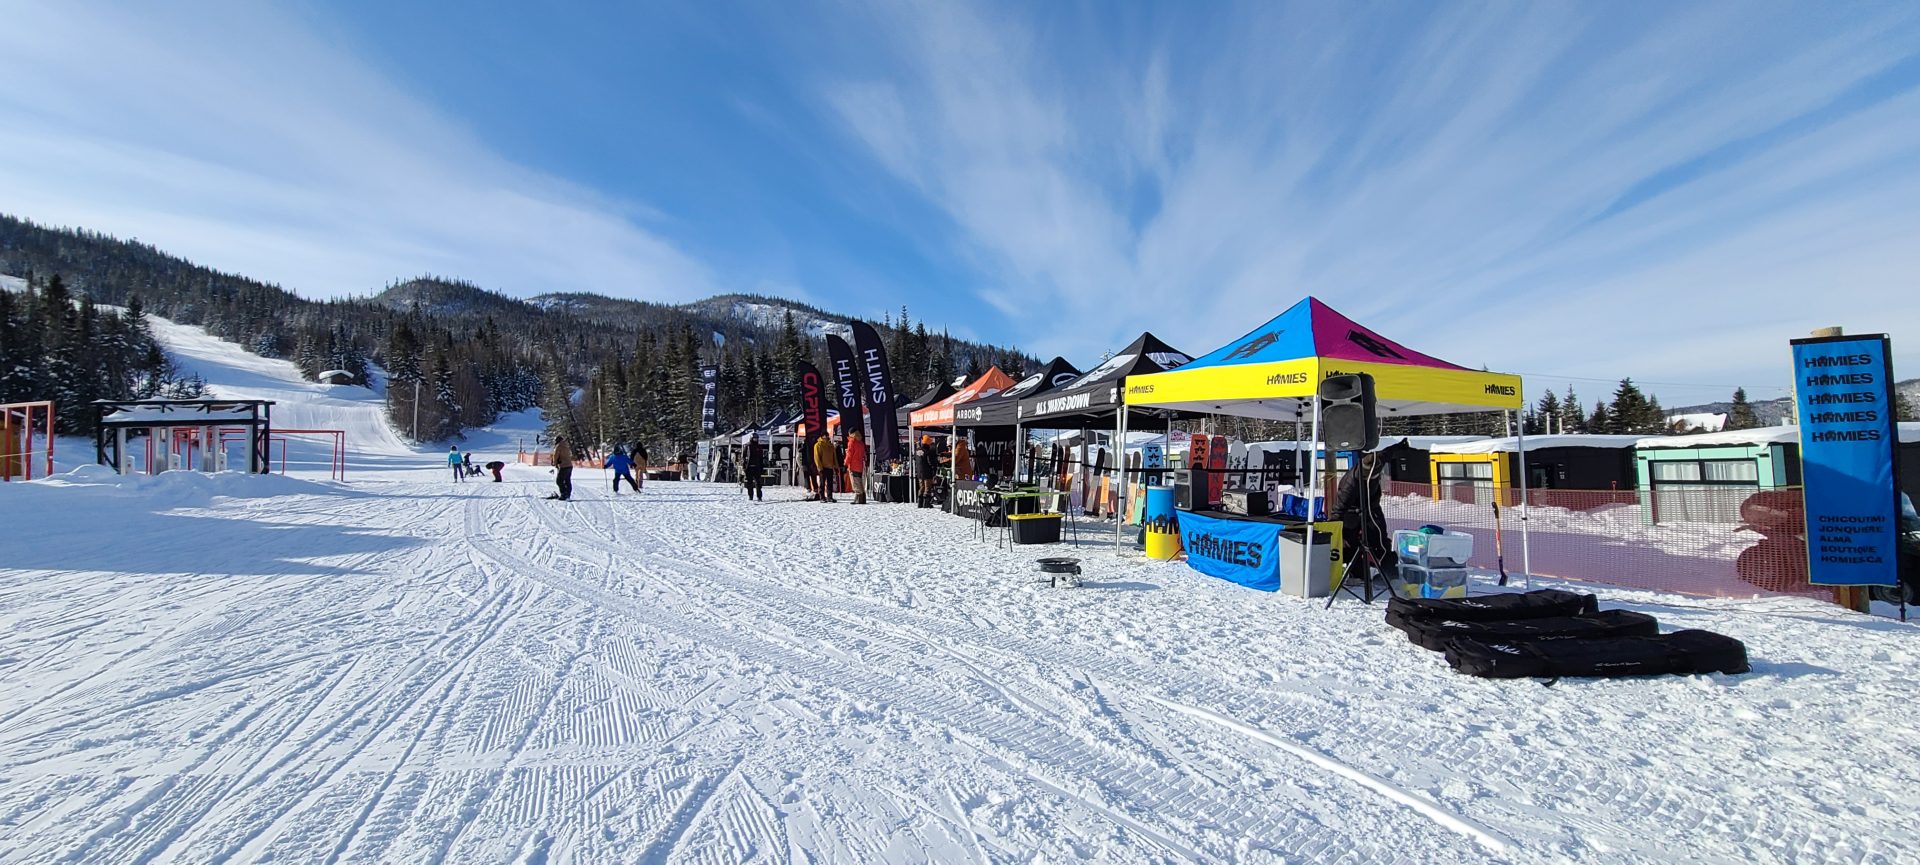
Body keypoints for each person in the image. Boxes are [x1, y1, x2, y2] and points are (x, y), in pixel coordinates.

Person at [1334, 450, 1395, 581]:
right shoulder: (1349, 484)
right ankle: (1358, 573)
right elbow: (1338, 510)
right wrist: (1338, 534)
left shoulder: (1377, 462)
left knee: (1381, 540)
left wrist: (1400, 446)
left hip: (1372, 509)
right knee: (1351, 544)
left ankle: (1389, 575)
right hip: (1350, 513)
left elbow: (1386, 453)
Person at [812, 434, 840, 502]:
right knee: (822, 483)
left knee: (830, 483)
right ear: (821, 436)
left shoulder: (831, 445)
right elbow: (816, 457)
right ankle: (822, 497)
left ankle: (829, 497)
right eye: (825, 436)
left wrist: (836, 465)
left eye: (827, 435)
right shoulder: (818, 445)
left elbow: (834, 456)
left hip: (830, 466)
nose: (827, 437)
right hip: (822, 467)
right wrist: (819, 467)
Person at [845, 429, 868, 505]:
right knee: (860, 482)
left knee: (855, 482)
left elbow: (849, 455)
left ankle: (859, 499)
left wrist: (846, 462)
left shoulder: (852, 442)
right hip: (860, 465)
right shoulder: (861, 442)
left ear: (851, 433)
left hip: (853, 465)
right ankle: (862, 498)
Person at [915, 435, 939, 508]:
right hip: (927, 472)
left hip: (919, 472)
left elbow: (914, 459)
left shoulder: (917, 450)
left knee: (921, 487)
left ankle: (920, 503)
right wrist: (935, 466)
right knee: (927, 487)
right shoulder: (928, 452)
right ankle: (926, 503)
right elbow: (930, 462)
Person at [550, 435, 575, 501]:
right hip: (569, 466)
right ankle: (568, 495)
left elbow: (555, 456)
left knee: (559, 481)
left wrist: (555, 463)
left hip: (563, 466)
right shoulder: (566, 446)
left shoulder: (558, 446)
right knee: (567, 481)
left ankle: (563, 494)